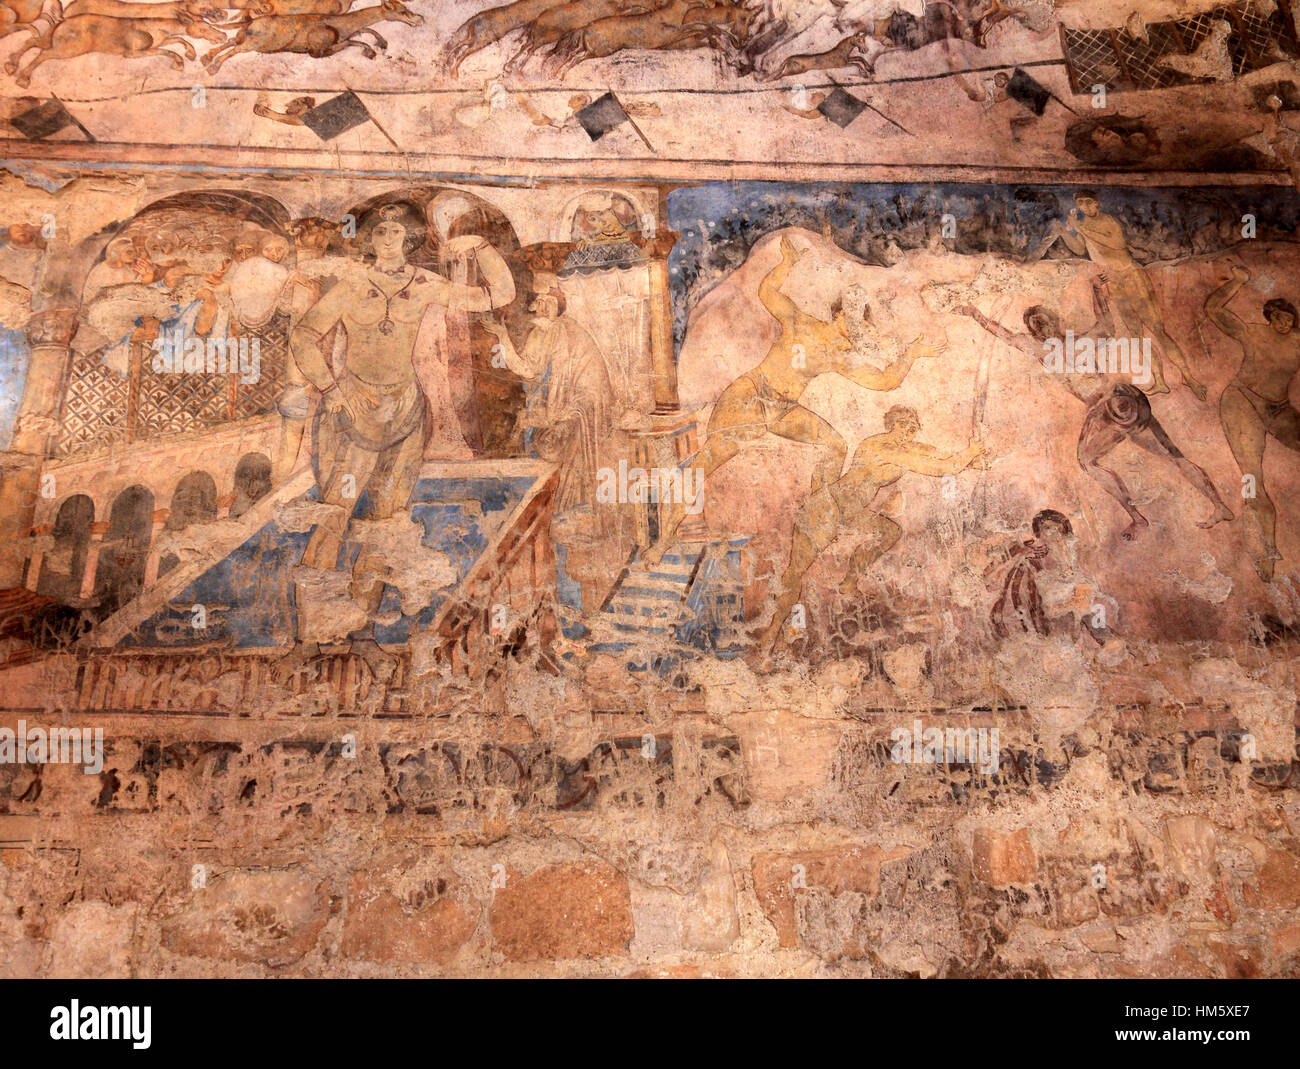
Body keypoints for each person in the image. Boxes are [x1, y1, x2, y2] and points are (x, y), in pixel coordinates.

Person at [278, 203, 515, 677]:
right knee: (335, 519)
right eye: (381, 231)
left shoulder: (424, 285)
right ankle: (309, 638)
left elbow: (498, 295)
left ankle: (361, 632)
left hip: (406, 412)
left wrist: (482, 247)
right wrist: (332, 387)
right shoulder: (350, 287)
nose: (389, 239)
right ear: (370, 239)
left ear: (409, 240)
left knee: (387, 524)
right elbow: (303, 336)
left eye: (398, 232)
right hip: (354, 412)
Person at [642, 234, 945, 565]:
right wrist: (786, 264)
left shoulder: (837, 357)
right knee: (703, 467)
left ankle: (819, 513)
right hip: (751, 396)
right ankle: (663, 540)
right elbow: (767, 293)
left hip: (782, 410)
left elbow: (884, 381)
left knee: (835, 445)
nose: (861, 335)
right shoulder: (802, 324)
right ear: (842, 317)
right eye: (859, 325)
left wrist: (912, 354)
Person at [959, 280, 1232, 541]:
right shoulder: (1042, 349)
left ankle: (1197, 508)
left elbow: (1106, 325)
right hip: (1112, 407)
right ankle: (1165, 513)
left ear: (1053, 321)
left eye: (1042, 321)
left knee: (1146, 456)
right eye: (1035, 326)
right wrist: (975, 314)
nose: (1040, 328)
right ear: (1033, 332)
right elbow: (1003, 334)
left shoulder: (1076, 342)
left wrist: (1096, 292)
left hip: (1113, 404)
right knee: (1106, 459)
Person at [756, 405, 988, 654]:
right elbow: (941, 468)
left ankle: (849, 582)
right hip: (827, 509)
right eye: (902, 425)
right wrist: (970, 453)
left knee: (889, 532)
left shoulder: (906, 449)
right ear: (891, 424)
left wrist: (971, 462)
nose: (907, 431)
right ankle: (769, 636)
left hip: (849, 513)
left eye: (912, 427)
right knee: (796, 572)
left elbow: (939, 458)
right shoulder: (882, 447)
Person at [1042, 190, 1205, 400]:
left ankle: (1190, 378)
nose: (1085, 208)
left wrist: (1079, 227)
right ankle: (1160, 381)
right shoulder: (1086, 226)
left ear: (1097, 203)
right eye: (1081, 204)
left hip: (1132, 276)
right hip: (1115, 282)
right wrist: (1065, 232)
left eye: (1088, 202)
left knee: (1157, 330)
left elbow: (1117, 244)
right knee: (1137, 337)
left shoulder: (1109, 221)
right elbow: (1080, 248)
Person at [1205, 265, 1300, 581]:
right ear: (1270, 318)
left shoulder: (1298, 343)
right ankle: (1266, 553)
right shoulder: (1252, 332)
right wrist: (1239, 281)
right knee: (1254, 480)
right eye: (1279, 318)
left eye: (1290, 319)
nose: (1284, 324)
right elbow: (1213, 309)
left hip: (1279, 408)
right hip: (1242, 403)